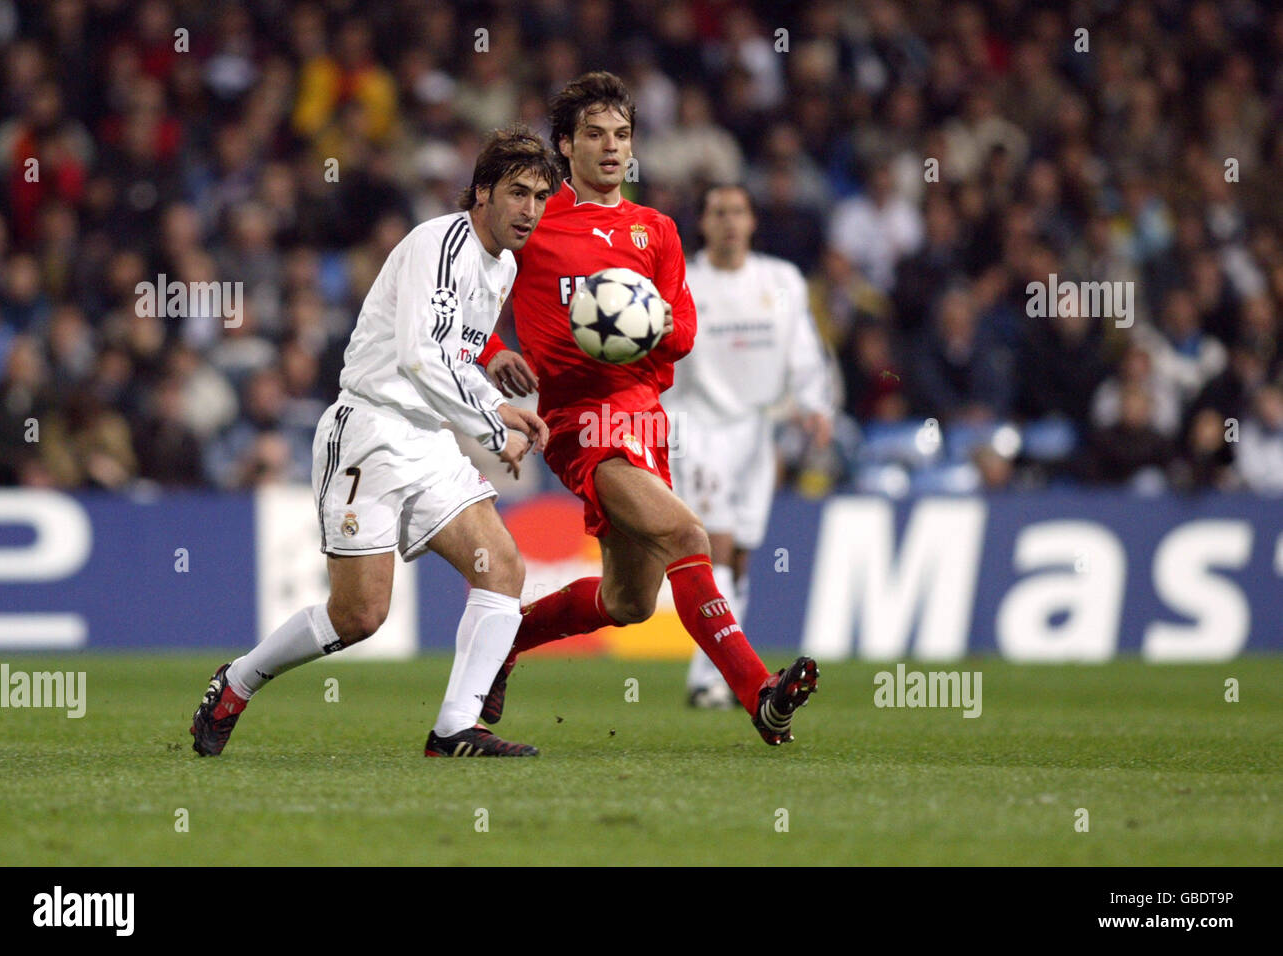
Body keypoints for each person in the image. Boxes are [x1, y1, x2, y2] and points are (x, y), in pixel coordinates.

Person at [189, 125, 558, 758]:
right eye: (518, 192)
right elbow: (417, 357)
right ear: (483, 192)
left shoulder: (503, 267)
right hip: (369, 432)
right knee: (360, 615)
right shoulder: (438, 242)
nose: (530, 209)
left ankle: (453, 729)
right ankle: (238, 680)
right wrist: (493, 423)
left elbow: (451, 354)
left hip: (429, 438)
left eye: (542, 196)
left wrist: (496, 399)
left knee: (502, 567)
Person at [477, 73, 819, 746]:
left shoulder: (655, 230)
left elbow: (686, 333)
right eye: (596, 135)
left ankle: (502, 643)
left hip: (645, 420)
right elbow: (467, 304)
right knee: (690, 537)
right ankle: (760, 696)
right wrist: (494, 354)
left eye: (623, 135)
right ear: (567, 146)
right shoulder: (535, 223)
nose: (612, 149)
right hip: (582, 422)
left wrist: (643, 321)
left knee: (627, 601)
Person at [662, 184, 835, 707]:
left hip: (757, 431)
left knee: (739, 558)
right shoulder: (684, 279)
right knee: (713, 548)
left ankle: (725, 674)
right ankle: (708, 679)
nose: (730, 221)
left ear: (752, 220)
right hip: (698, 427)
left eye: (738, 211)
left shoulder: (780, 280)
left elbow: (803, 348)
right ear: (705, 224)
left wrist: (815, 403)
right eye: (718, 212)